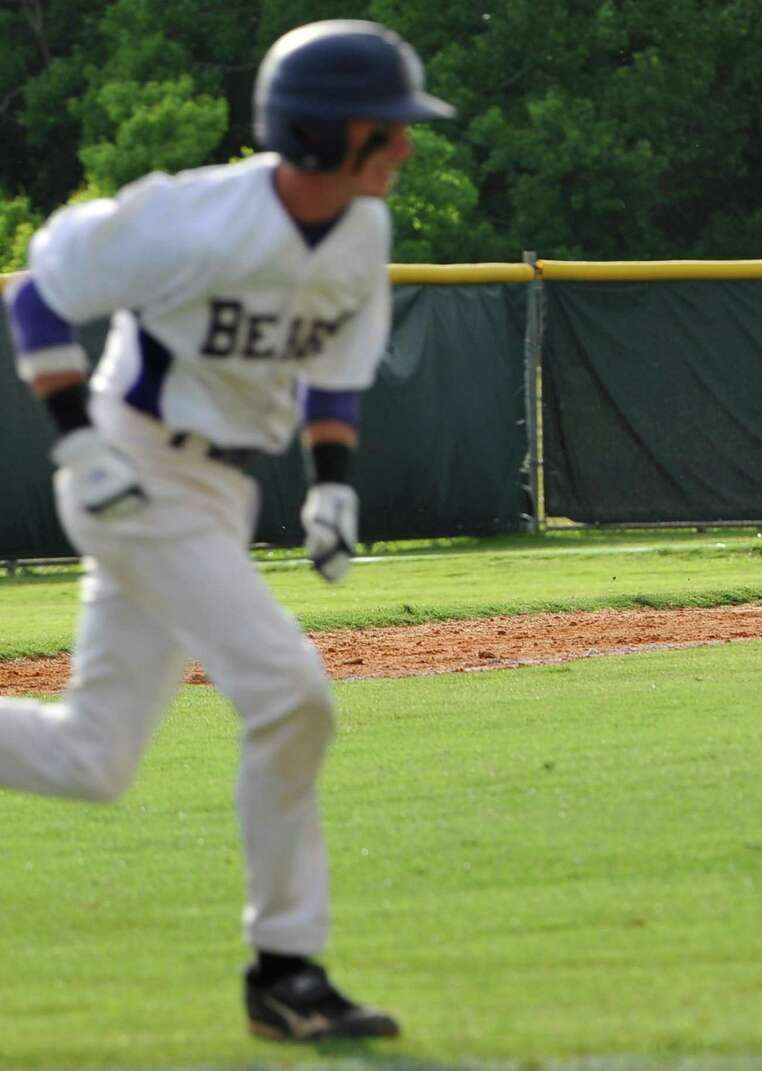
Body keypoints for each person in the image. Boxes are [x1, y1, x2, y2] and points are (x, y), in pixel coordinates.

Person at [0, 20, 454, 1041]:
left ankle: (284, 975)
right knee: (291, 696)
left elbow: (335, 368)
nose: (404, 147)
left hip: (218, 490)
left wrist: (331, 487)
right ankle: (286, 970)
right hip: (134, 464)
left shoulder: (362, 232)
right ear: (323, 134)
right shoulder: (197, 216)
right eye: (386, 130)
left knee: (92, 758)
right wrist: (76, 443)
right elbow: (38, 296)